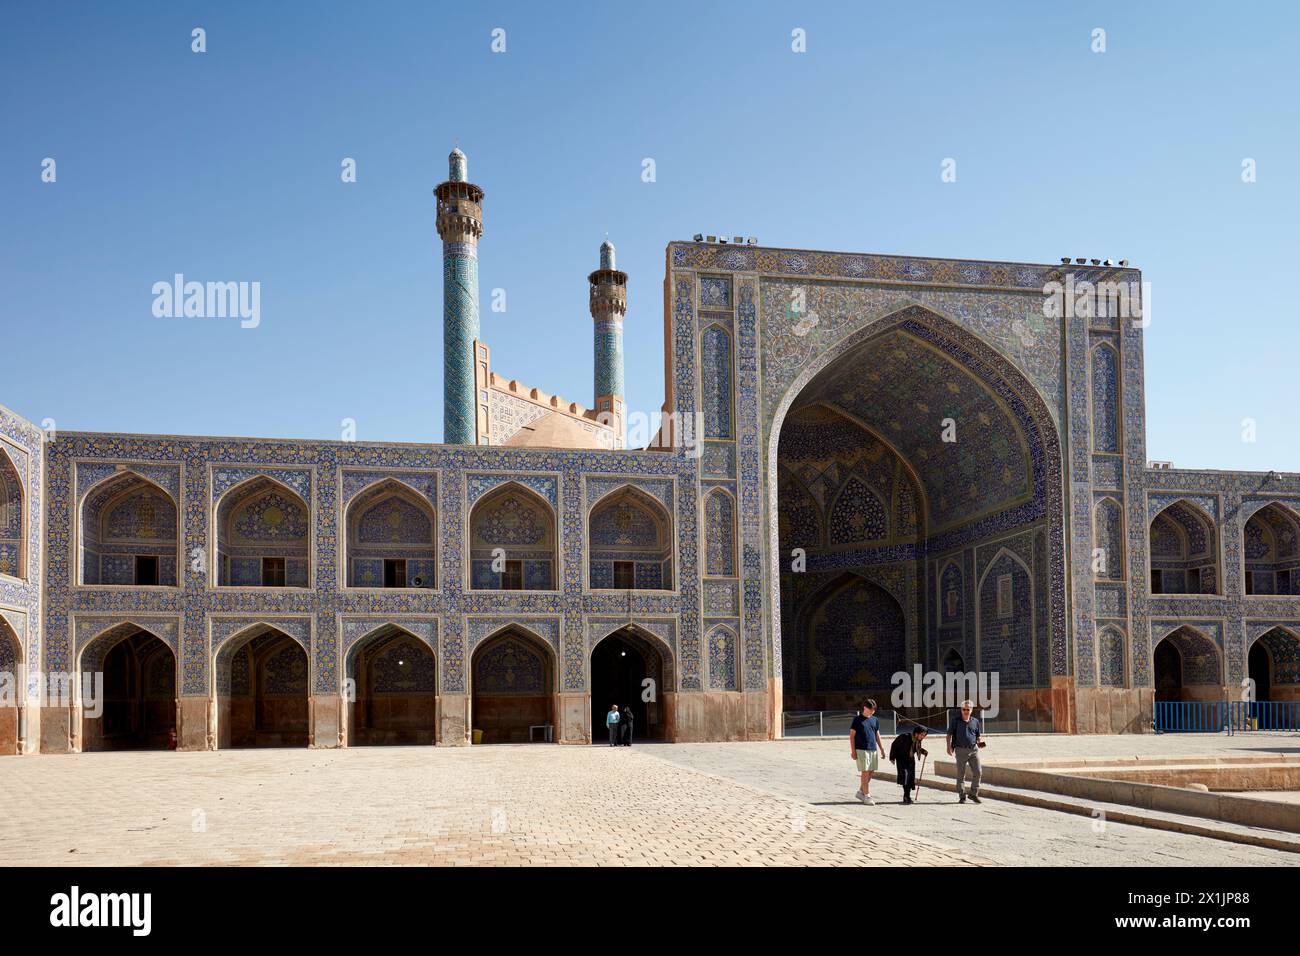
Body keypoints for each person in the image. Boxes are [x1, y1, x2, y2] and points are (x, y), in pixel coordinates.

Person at [946, 700, 985, 804]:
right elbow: (949, 734)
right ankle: (962, 795)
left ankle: (973, 794)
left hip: (973, 750)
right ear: (961, 709)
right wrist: (948, 746)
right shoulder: (955, 720)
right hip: (960, 750)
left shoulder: (975, 721)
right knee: (961, 774)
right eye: (964, 709)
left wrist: (980, 741)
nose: (966, 711)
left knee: (978, 772)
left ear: (971, 710)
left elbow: (977, 735)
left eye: (968, 709)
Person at [849, 699, 887, 804]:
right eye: (871, 709)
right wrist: (853, 751)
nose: (873, 711)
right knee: (865, 772)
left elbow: (877, 735)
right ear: (865, 708)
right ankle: (867, 795)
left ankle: (860, 792)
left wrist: (882, 749)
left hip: (873, 748)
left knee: (871, 772)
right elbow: (852, 736)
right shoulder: (857, 720)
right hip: (861, 749)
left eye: (874, 709)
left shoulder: (875, 720)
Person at [888, 725, 929, 804]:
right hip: (902, 760)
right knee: (905, 777)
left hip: (910, 761)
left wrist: (923, 751)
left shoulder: (917, 740)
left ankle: (907, 796)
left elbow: (916, 749)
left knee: (910, 779)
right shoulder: (904, 737)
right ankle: (906, 796)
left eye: (924, 735)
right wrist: (892, 757)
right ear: (916, 733)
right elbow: (894, 745)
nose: (923, 737)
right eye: (922, 734)